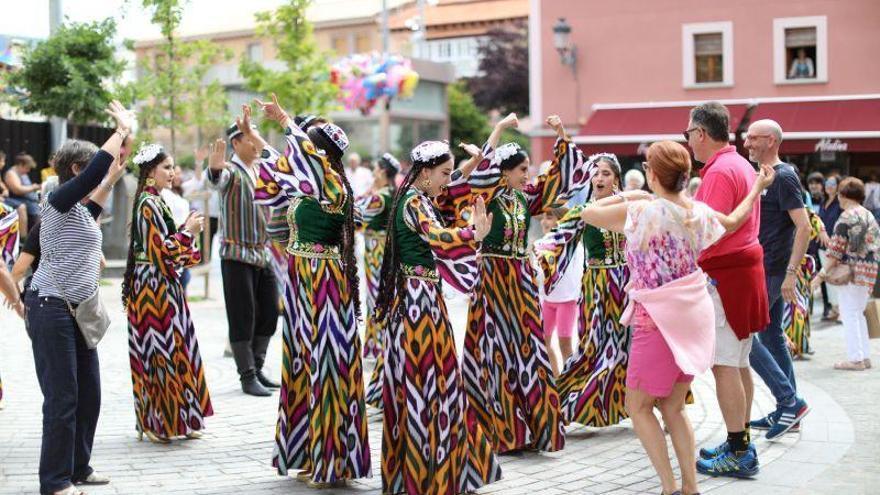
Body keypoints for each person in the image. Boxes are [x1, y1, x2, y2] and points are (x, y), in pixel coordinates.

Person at [577, 140, 774, 495]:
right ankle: (689, 487)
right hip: (693, 314)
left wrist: (630, 195)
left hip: (657, 318)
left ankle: (670, 488)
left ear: (652, 174)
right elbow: (733, 221)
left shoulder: (642, 211)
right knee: (673, 405)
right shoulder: (697, 211)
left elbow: (588, 211)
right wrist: (757, 187)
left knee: (638, 407)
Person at [248, 95, 370, 486]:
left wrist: (285, 119)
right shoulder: (310, 186)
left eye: (311, 147)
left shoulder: (330, 184)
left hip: (325, 285)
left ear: (321, 154)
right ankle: (307, 452)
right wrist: (255, 137)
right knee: (303, 364)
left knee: (327, 366)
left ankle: (332, 462)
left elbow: (303, 159)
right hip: (303, 282)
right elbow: (278, 167)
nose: (301, 152)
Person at [373, 139, 500, 495]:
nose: (447, 180)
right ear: (426, 172)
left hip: (418, 299)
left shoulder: (415, 196)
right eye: (444, 173)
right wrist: (472, 233)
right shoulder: (415, 202)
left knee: (426, 382)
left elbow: (451, 190)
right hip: (418, 304)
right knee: (430, 382)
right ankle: (431, 474)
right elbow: (438, 235)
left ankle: (423, 472)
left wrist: (472, 165)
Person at [24, 100, 133, 495]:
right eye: (88, 170)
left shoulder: (82, 213)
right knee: (63, 398)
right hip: (51, 308)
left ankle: (79, 467)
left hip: (78, 312)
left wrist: (116, 170)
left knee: (89, 395)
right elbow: (95, 175)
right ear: (75, 171)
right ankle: (54, 481)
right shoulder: (56, 203)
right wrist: (120, 130)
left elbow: (100, 188)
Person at [685, 102, 768, 478]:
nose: (688, 141)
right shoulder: (740, 164)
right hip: (744, 271)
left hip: (727, 276)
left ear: (701, 133)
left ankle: (740, 450)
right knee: (739, 362)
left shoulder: (719, 171)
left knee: (725, 365)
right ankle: (741, 439)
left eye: (689, 133)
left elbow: (709, 229)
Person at [121, 143, 212, 444]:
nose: (173, 173)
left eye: (173, 167)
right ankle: (156, 421)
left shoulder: (156, 200)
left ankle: (181, 418)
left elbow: (169, 249)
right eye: (167, 167)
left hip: (164, 284)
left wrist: (185, 234)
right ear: (150, 171)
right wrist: (188, 232)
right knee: (158, 352)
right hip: (152, 287)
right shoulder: (148, 203)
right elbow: (161, 251)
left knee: (177, 348)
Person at [536, 149, 630, 429]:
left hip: (628, 286)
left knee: (632, 345)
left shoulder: (629, 205)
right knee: (593, 346)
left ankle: (653, 404)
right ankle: (572, 404)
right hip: (596, 287)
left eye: (606, 173)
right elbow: (558, 233)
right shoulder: (584, 211)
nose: (599, 178)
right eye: (595, 173)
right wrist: (541, 254)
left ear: (616, 179)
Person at [740, 120, 812, 441]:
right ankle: (790, 411)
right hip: (764, 269)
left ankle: (789, 401)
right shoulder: (765, 175)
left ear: (771, 140)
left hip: (771, 271)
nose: (747, 144)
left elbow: (804, 227)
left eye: (753, 138)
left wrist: (790, 274)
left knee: (743, 334)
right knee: (771, 337)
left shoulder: (784, 177)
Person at [207, 120, 280, 397]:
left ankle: (257, 368)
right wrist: (214, 169)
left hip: (262, 252)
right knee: (242, 317)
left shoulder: (261, 169)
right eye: (248, 138)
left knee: (270, 313)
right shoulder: (231, 170)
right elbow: (217, 180)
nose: (254, 142)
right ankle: (247, 376)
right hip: (236, 254)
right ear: (235, 143)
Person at [814, 177, 880, 370]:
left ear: (843, 195)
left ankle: (856, 359)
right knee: (858, 312)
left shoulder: (846, 217)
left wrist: (820, 276)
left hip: (850, 272)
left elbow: (835, 251)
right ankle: (864, 356)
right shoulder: (868, 215)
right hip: (869, 270)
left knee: (849, 313)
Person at [358, 152, 400, 410]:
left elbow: (358, 213)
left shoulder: (381, 196)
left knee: (375, 298)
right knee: (376, 297)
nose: (373, 172)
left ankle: (377, 346)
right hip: (379, 249)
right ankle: (376, 345)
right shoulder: (388, 193)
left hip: (377, 251)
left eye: (375, 169)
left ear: (383, 172)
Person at [540, 209, 583, 376]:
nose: (544, 221)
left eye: (549, 217)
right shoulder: (541, 244)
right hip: (547, 301)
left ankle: (570, 381)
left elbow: (578, 274)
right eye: (543, 217)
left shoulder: (573, 245)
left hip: (567, 301)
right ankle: (556, 379)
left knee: (564, 344)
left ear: (560, 221)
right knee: (544, 342)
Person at [818, 175, 843, 321]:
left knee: (836, 277)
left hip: (836, 246)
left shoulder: (840, 203)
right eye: (827, 182)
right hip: (822, 246)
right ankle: (834, 308)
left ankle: (841, 310)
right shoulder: (823, 201)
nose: (829, 186)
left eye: (832, 183)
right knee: (827, 279)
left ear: (838, 186)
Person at [3, 153, 41, 235]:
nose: (28, 170)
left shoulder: (23, 174)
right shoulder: (11, 174)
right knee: (31, 207)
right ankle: (24, 237)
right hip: (16, 199)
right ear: (20, 165)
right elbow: (17, 190)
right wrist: (34, 187)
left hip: (27, 199)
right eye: (27, 168)